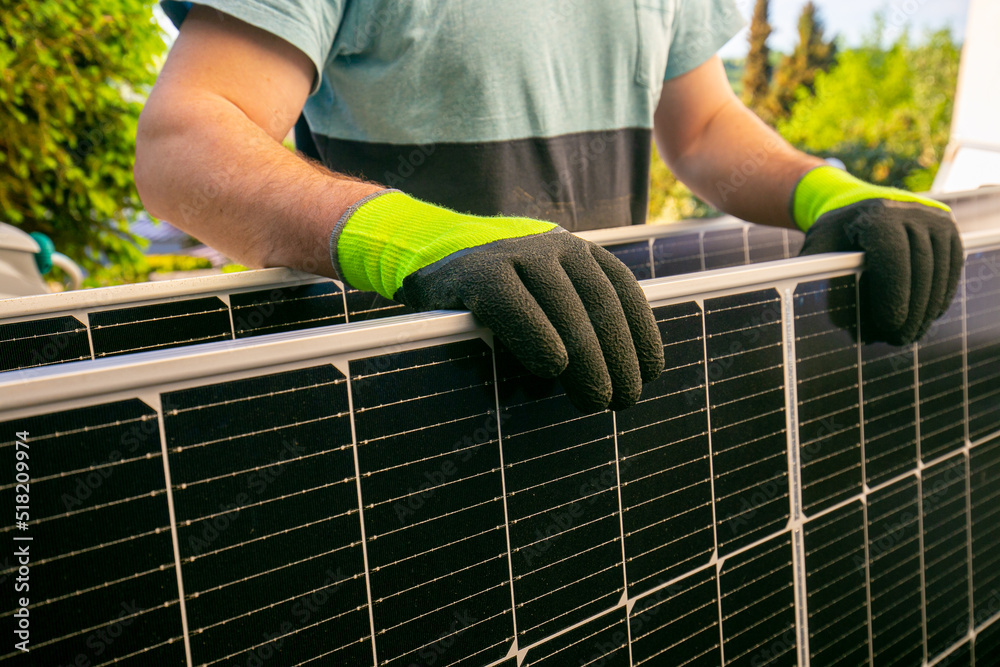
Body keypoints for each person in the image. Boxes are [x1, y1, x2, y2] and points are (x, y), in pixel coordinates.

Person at [136, 1, 963, 412]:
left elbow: (705, 126)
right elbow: (186, 144)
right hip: (397, 412)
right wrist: (418, 241)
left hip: (599, 373)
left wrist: (834, 190)